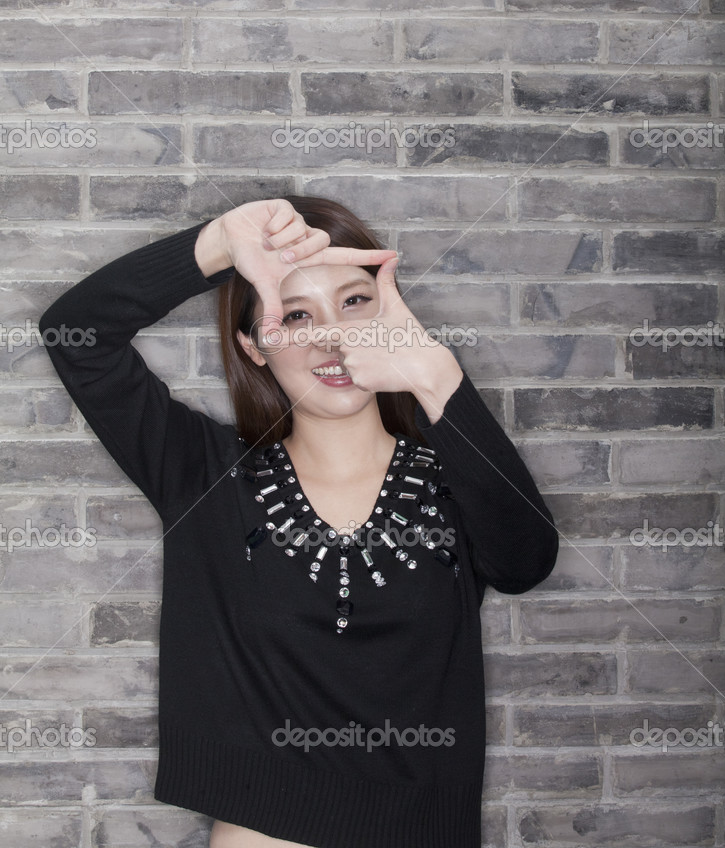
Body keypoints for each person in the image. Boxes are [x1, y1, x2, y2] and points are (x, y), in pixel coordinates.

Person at [40, 194, 559, 848]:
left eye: (352, 303)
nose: (329, 338)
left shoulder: (454, 480)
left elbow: (524, 563)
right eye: (294, 315)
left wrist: (434, 374)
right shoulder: (202, 474)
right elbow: (77, 333)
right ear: (254, 347)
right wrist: (219, 244)